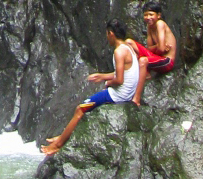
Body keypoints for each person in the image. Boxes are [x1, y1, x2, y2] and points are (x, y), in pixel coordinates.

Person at [39, 22, 140, 155]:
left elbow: (119, 79)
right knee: (84, 107)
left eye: (107, 34)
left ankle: (58, 145)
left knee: (81, 109)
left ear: (111, 34)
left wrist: (109, 82)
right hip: (126, 93)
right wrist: (102, 76)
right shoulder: (128, 48)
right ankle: (63, 136)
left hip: (119, 95)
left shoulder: (119, 52)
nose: (106, 38)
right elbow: (124, 73)